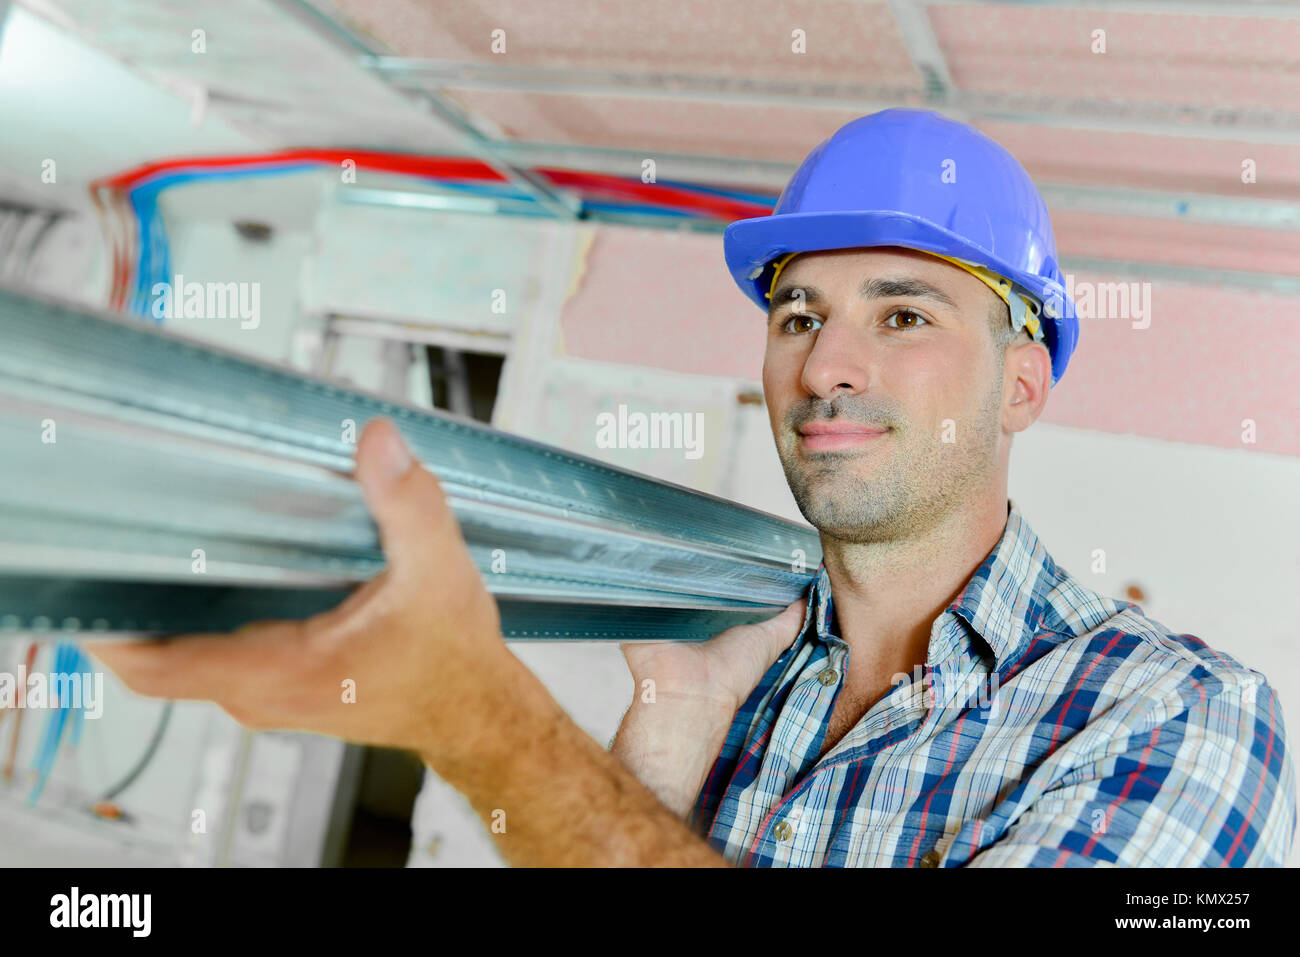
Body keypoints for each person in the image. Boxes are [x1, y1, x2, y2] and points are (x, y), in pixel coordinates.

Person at [90, 109, 1295, 867]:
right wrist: (665, 739)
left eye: (903, 313)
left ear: (1022, 386)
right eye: (798, 313)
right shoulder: (737, 657)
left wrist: (474, 718)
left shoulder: (1180, 719)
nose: (823, 364)